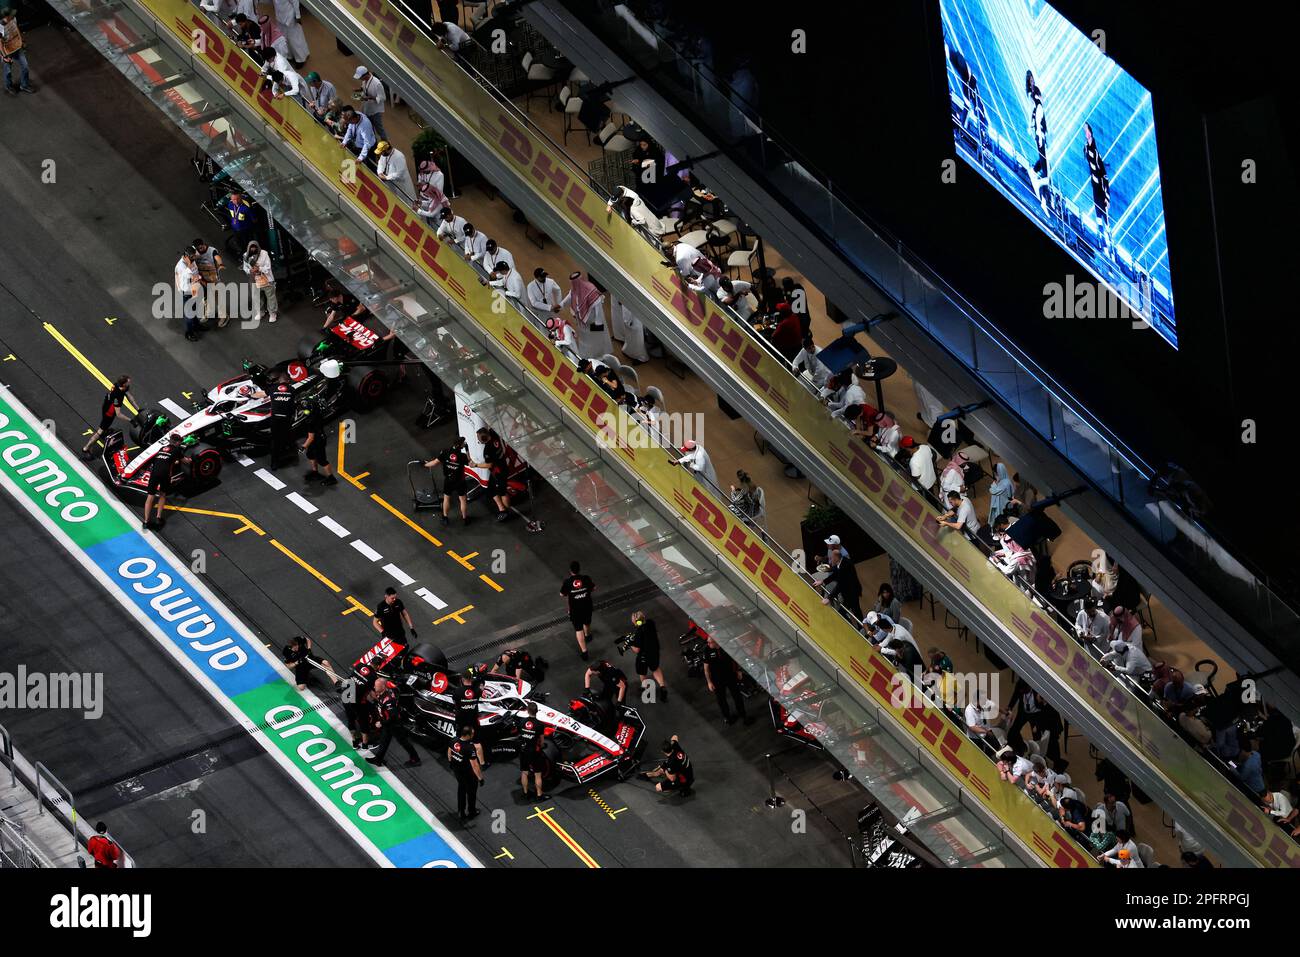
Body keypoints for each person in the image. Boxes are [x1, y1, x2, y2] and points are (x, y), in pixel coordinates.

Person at [366, 677, 420, 767]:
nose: (374, 688)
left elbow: (393, 716)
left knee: (404, 742)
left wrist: (381, 723)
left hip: (394, 725)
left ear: (383, 686)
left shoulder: (389, 700)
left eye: (376, 686)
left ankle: (415, 759)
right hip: (387, 723)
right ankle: (378, 759)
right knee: (384, 741)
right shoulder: (382, 693)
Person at [559, 271, 612, 360]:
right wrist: (561, 305)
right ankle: (588, 357)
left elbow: (598, 306)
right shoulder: (574, 290)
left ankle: (599, 357)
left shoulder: (590, 289)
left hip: (593, 322)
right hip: (583, 323)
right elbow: (570, 296)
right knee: (586, 340)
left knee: (596, 340)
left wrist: (598, 323)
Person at [702, 636, 751, 725]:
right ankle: (727, 718)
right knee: (721, 699)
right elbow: (706, 668)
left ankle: (743, 716)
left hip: (730, 676)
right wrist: (709, 682)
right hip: (717, 679)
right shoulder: (707, 650)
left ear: (716, 642)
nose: (708, 644)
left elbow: (735, 659)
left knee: (737, 697)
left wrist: (738, 670)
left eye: (710, 642)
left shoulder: (727, 646)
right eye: (708, 642)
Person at [423, 436, 471, 526]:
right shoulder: (462, 456)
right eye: (463, 443)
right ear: (461, 445)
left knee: (446, 498)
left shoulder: (445, 452)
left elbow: (434, 463)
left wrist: (425, 464)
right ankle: (465, 518)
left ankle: (445, 518)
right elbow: (471, 463)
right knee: (463, 500)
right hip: (460, 481)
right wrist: (467, 450)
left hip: (448, 480)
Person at [82, 375, 133, 459]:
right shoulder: (118, 395)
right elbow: (119, 414)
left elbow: (129, 396)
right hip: (109, 413)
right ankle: (86, 448)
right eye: (128, 381)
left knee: (104, 427)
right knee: (100, 431)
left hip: (106, 405)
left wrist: (138, 409)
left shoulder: (118, 385)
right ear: (124, 384)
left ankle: (104, 431)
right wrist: (130, 420)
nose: (130, 382)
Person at [143, 433, 186, 530]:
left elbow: (159, 460)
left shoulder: (162, 448)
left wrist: (174, 461)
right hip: (165, 474)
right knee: (162, 494)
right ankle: (158, 518)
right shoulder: (177, 450)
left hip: (154, 473)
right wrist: (192, 459)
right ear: (177, 442)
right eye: (180, 442)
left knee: (150, 496)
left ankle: (146, 522)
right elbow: (185, 461)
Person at [1083, 122, 1112, 257]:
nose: (1086, 134)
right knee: (1098, 217)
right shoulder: (1088, 149)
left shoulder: (1093, 152)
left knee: (1105, 220)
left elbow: (1104, 178)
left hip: (1100, 188)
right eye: (1085, 131)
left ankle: (1109, 245)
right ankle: (1102, 242)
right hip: (1096, 187)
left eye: (1088, 131)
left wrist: (1107, 197)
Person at [470, 426, 510, 521]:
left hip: (499, 472)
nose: (478, 440)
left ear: (484, 438)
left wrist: (475, 465)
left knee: (502, 492)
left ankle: (507, 510)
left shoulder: (487, 449)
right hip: (502, 465)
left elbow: (489, 465)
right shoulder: (494, 434)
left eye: (479, 439)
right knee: (490, 489)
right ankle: (502, 509)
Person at [448, 726, 485, 822]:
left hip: (457, 771)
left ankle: (461, 811)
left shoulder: (454, 740)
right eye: (472, 733)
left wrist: (451, 762)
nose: (473, 735)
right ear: (468, 735)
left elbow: (449, 752)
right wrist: (480, 778)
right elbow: (475, 765)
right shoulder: (469, 747)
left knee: (461, 790)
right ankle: (472, 811)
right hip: (468, 774)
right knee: (471, 793)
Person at [628, 611, 667, 702]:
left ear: (637, 622)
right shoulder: (650, 622)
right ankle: (662, 687)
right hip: (654, 652)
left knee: (642, 671)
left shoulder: (639, 632)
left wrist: (630, 644)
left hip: (644, 655)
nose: (633, 622)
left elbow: (636, 650)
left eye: (634, 621)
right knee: (655, 669)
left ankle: (645, 688)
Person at [560, 560, 595, 659]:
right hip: (587, 606)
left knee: (578, 629)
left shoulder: (567, 582)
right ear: (579, 569)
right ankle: (588, 635)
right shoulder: (586, 578)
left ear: (570, 571)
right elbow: (593, 588)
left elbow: (562, 594)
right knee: (587, 622)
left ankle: (584, 652)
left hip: (575, 610)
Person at [517, 701, 549, 800]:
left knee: (524, 772)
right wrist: (543, 746)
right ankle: (539, 795)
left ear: (527, 711)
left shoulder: (522, 722)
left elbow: (520, 735)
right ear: (537, 711)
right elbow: (542, 741)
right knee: (537, 774)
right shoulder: (540, 725)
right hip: (534, 752)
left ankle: (526, 793)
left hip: (523, 750)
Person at [299, 399, 337, 486]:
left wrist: (303, 447)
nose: (304, 411)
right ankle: (315, 473)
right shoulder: (317, 413)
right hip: (317, 438)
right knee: (310, 455)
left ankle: (331, 478)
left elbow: (311, 438)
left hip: (318, 441)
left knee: (322, 460)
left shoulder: (310, 421)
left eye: (305, 410)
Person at [821, 547, 864, 621]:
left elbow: (840, 584)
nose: (831, 560)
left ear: (836, 558)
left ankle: (860, 628)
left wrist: (829, 598)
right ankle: (861, 628)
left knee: (853, 612)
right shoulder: (841, 562)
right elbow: (835, 574)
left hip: (852, 593)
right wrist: (823, 581)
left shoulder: (845, 566)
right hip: (848, 592)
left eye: (832, 558)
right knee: (855, 611)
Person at [1, 7, 34, 95]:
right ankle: (9, 86)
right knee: (7, 71)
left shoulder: (13, 19)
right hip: (7, 51)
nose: (12, 16)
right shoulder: (1, 26)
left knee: (25, 67)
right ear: (5, 17)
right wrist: (4, 56)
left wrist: (21, 40)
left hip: (17, 48)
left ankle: (24, 85)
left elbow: (16, 29)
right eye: (10, 15)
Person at [243, 241, 278, 324]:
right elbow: (245, 267)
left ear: (257, 247)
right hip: (254, 280)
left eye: (254, 247)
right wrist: (249, 270)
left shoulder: (264, 253)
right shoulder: (245, 255)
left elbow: (268, 267)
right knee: (257, 297)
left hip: (266, 279)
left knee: (271, 297)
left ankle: (272, 313)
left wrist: (259, 269)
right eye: (251, 247)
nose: (253, 249)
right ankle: (261, 311)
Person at [352, 66, 387, 141]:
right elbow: (365, 88)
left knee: (379, 129)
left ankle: (386, 143)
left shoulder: (377, 83)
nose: (360, 79)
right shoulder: (364, 80)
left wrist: (370, 98)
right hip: (367, 107)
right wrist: (359, 89)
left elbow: (383, 98)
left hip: (375, 111)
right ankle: (373, 141)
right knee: (369, 126)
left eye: (360, 77)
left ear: (365, 75)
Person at [174, 247, 203, 341]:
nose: (194, 257)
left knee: (194, 309)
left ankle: (197, 325)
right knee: (189, 314)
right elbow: (190, 276)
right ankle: (189, 333)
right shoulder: (181, 267)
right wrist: (196, 277)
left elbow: (197, 257)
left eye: (194, 255)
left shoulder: (192, 258)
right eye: (192, 256)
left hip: (194, 289)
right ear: (186, 256)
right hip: (187, 292)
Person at [267, 372, 295, 467]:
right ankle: (289, 452)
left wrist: (249, 395)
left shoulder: (272, 389)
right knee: (286, 435)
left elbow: (260, 394)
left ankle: (274, 463)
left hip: (275, 419)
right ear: (288, 381)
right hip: (286, 419)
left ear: (279, 381)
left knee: (275, 440)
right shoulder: (292, 389)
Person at [272, 0, 308, 64]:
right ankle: (290, 55)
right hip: (280, 18)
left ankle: (300, 59)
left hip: (290, 17)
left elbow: (295, 2)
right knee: (285, 38)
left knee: (295, 40)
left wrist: (297, 16)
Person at [224, 191, 258, 257]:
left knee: (247, 243)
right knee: (239, 241)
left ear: (241, 198)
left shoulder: (246, 208)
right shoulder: (230, 204)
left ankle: (250, 254)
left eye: (237, 199)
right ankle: (243, 253)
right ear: (231, 199)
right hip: (235, 228)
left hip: (245, 230)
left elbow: (254, 219)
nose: (236, 201)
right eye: (234, 199)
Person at [988, 462, 1014, 527]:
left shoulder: (1004, 483)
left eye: (995, 473)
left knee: (1001, 518)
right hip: (1005, 502)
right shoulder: (1007, 480)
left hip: (1002, 504)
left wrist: (995, 482)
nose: (995, 474)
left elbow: (992, 491)